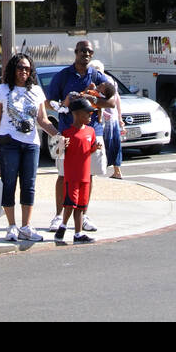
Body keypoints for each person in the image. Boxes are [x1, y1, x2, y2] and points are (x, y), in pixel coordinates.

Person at [0, 53, 58, 242]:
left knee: (29, 185)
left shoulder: (36, 91)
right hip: (8, 142)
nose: (23, 71)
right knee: (9, 183)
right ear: (13, 69)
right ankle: (11, 226)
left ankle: (26, 226)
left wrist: (58, 135)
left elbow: (42, 119)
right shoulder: (2, 90)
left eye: (27, 68)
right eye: (20, 67)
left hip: (31, 143)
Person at [46, 42, 114, 232]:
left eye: (89, 52)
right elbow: (48, 102)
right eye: (82, 51)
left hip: (92, 132)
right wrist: (64, 103)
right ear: (75, 52)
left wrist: (95, 100)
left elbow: (111, 102)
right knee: (62, 175)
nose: (86, 54)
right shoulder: (63, 76)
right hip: (65, 132)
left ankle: (82, 215)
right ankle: (58, 216)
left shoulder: (96, 75)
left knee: (88, 175)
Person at [55, 97, 98, 244]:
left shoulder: (90, 131)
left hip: (85, 175)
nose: (90, 116)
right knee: (70, 204)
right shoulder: (67, 133)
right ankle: (63, 225)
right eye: (88, 113)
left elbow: (89, 150)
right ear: (77, 114)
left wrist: (95, 148)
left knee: (81, 205)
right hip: (72, 176)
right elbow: (58, 153)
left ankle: (78, 233)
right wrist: (62, 145)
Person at [89, 59, 125, 179]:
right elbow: (117, 99)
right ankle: (117, 170)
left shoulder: (101, 83)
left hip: (105, 118)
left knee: (104, 143)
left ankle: (99, 168)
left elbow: (98, 100)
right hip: (112, 117)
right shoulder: (111, 80)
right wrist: (119, 117)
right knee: (114, 143)